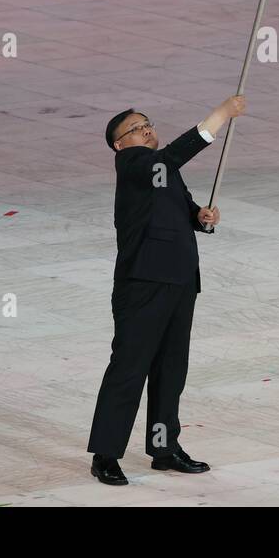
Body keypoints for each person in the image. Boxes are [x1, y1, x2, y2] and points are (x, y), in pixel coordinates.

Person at [88, 95, 247, 486]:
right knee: (129, 368)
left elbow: (180, 207)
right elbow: (173, 155)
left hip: (178, 281)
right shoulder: (134, 164)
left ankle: (164, 447)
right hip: (143, 284)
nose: (145, 130)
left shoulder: (161, 169)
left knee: (170, 369)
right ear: (119, 144)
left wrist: (200, 217)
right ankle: (106, 454)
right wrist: (220, 116)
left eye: (146, 123)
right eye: (135, 129)